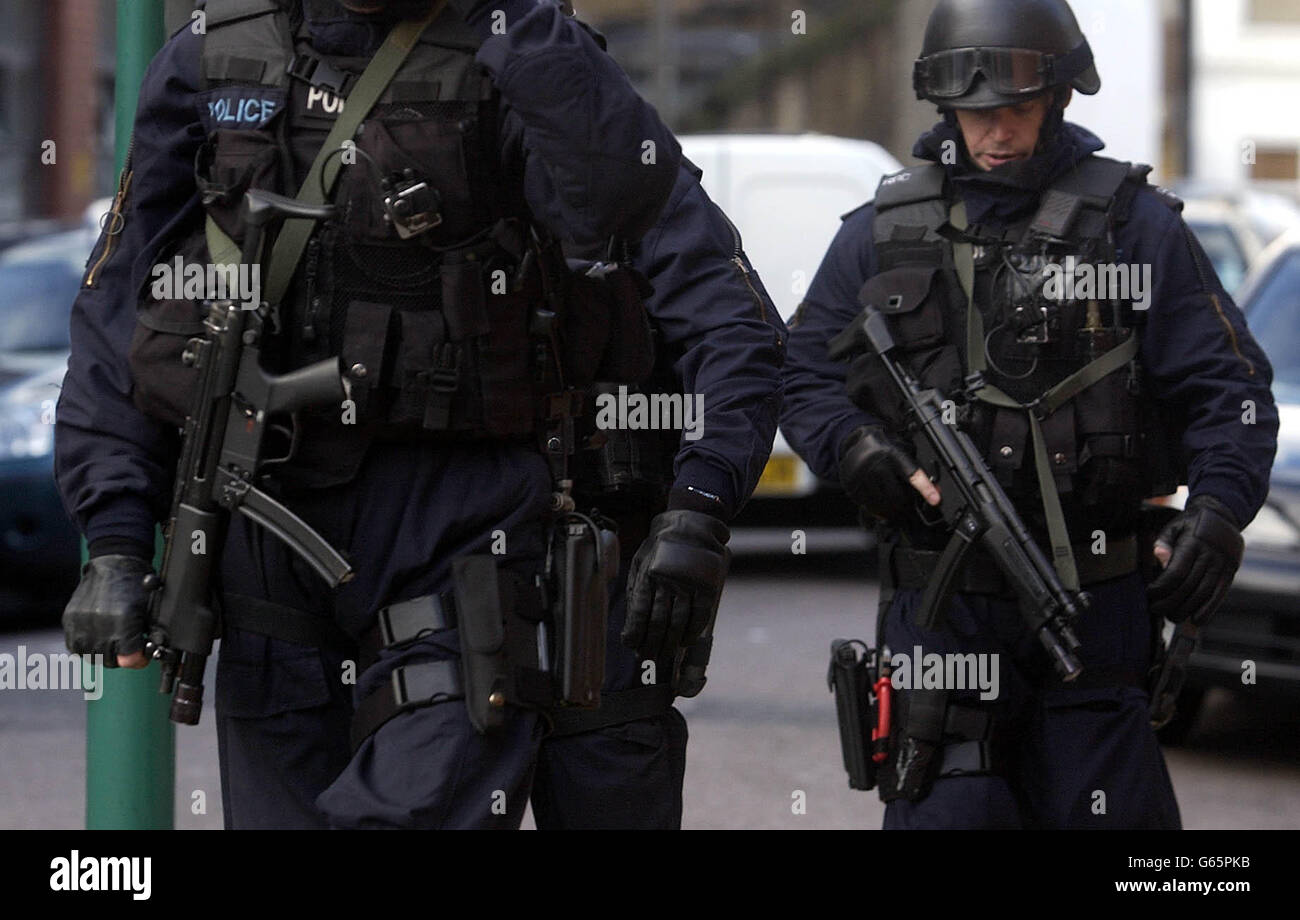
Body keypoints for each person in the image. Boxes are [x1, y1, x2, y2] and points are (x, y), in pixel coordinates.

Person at [56, 0, 702, 829]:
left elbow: (621, 215)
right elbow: (118, 308)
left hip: (459, 525)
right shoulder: (212, 59)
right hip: (267, 525)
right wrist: (112, 539)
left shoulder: (511, 44)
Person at [781, 0, 1277, 829]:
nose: (994, 134)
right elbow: (800, 375)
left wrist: (1221, 511)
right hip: (940, 616)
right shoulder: (882, 233)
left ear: (1059, 98)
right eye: (974, 116)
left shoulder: (1133, 230)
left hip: (1093, 608)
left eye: (1013, 110)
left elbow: (1232, 396)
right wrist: (850, 446)